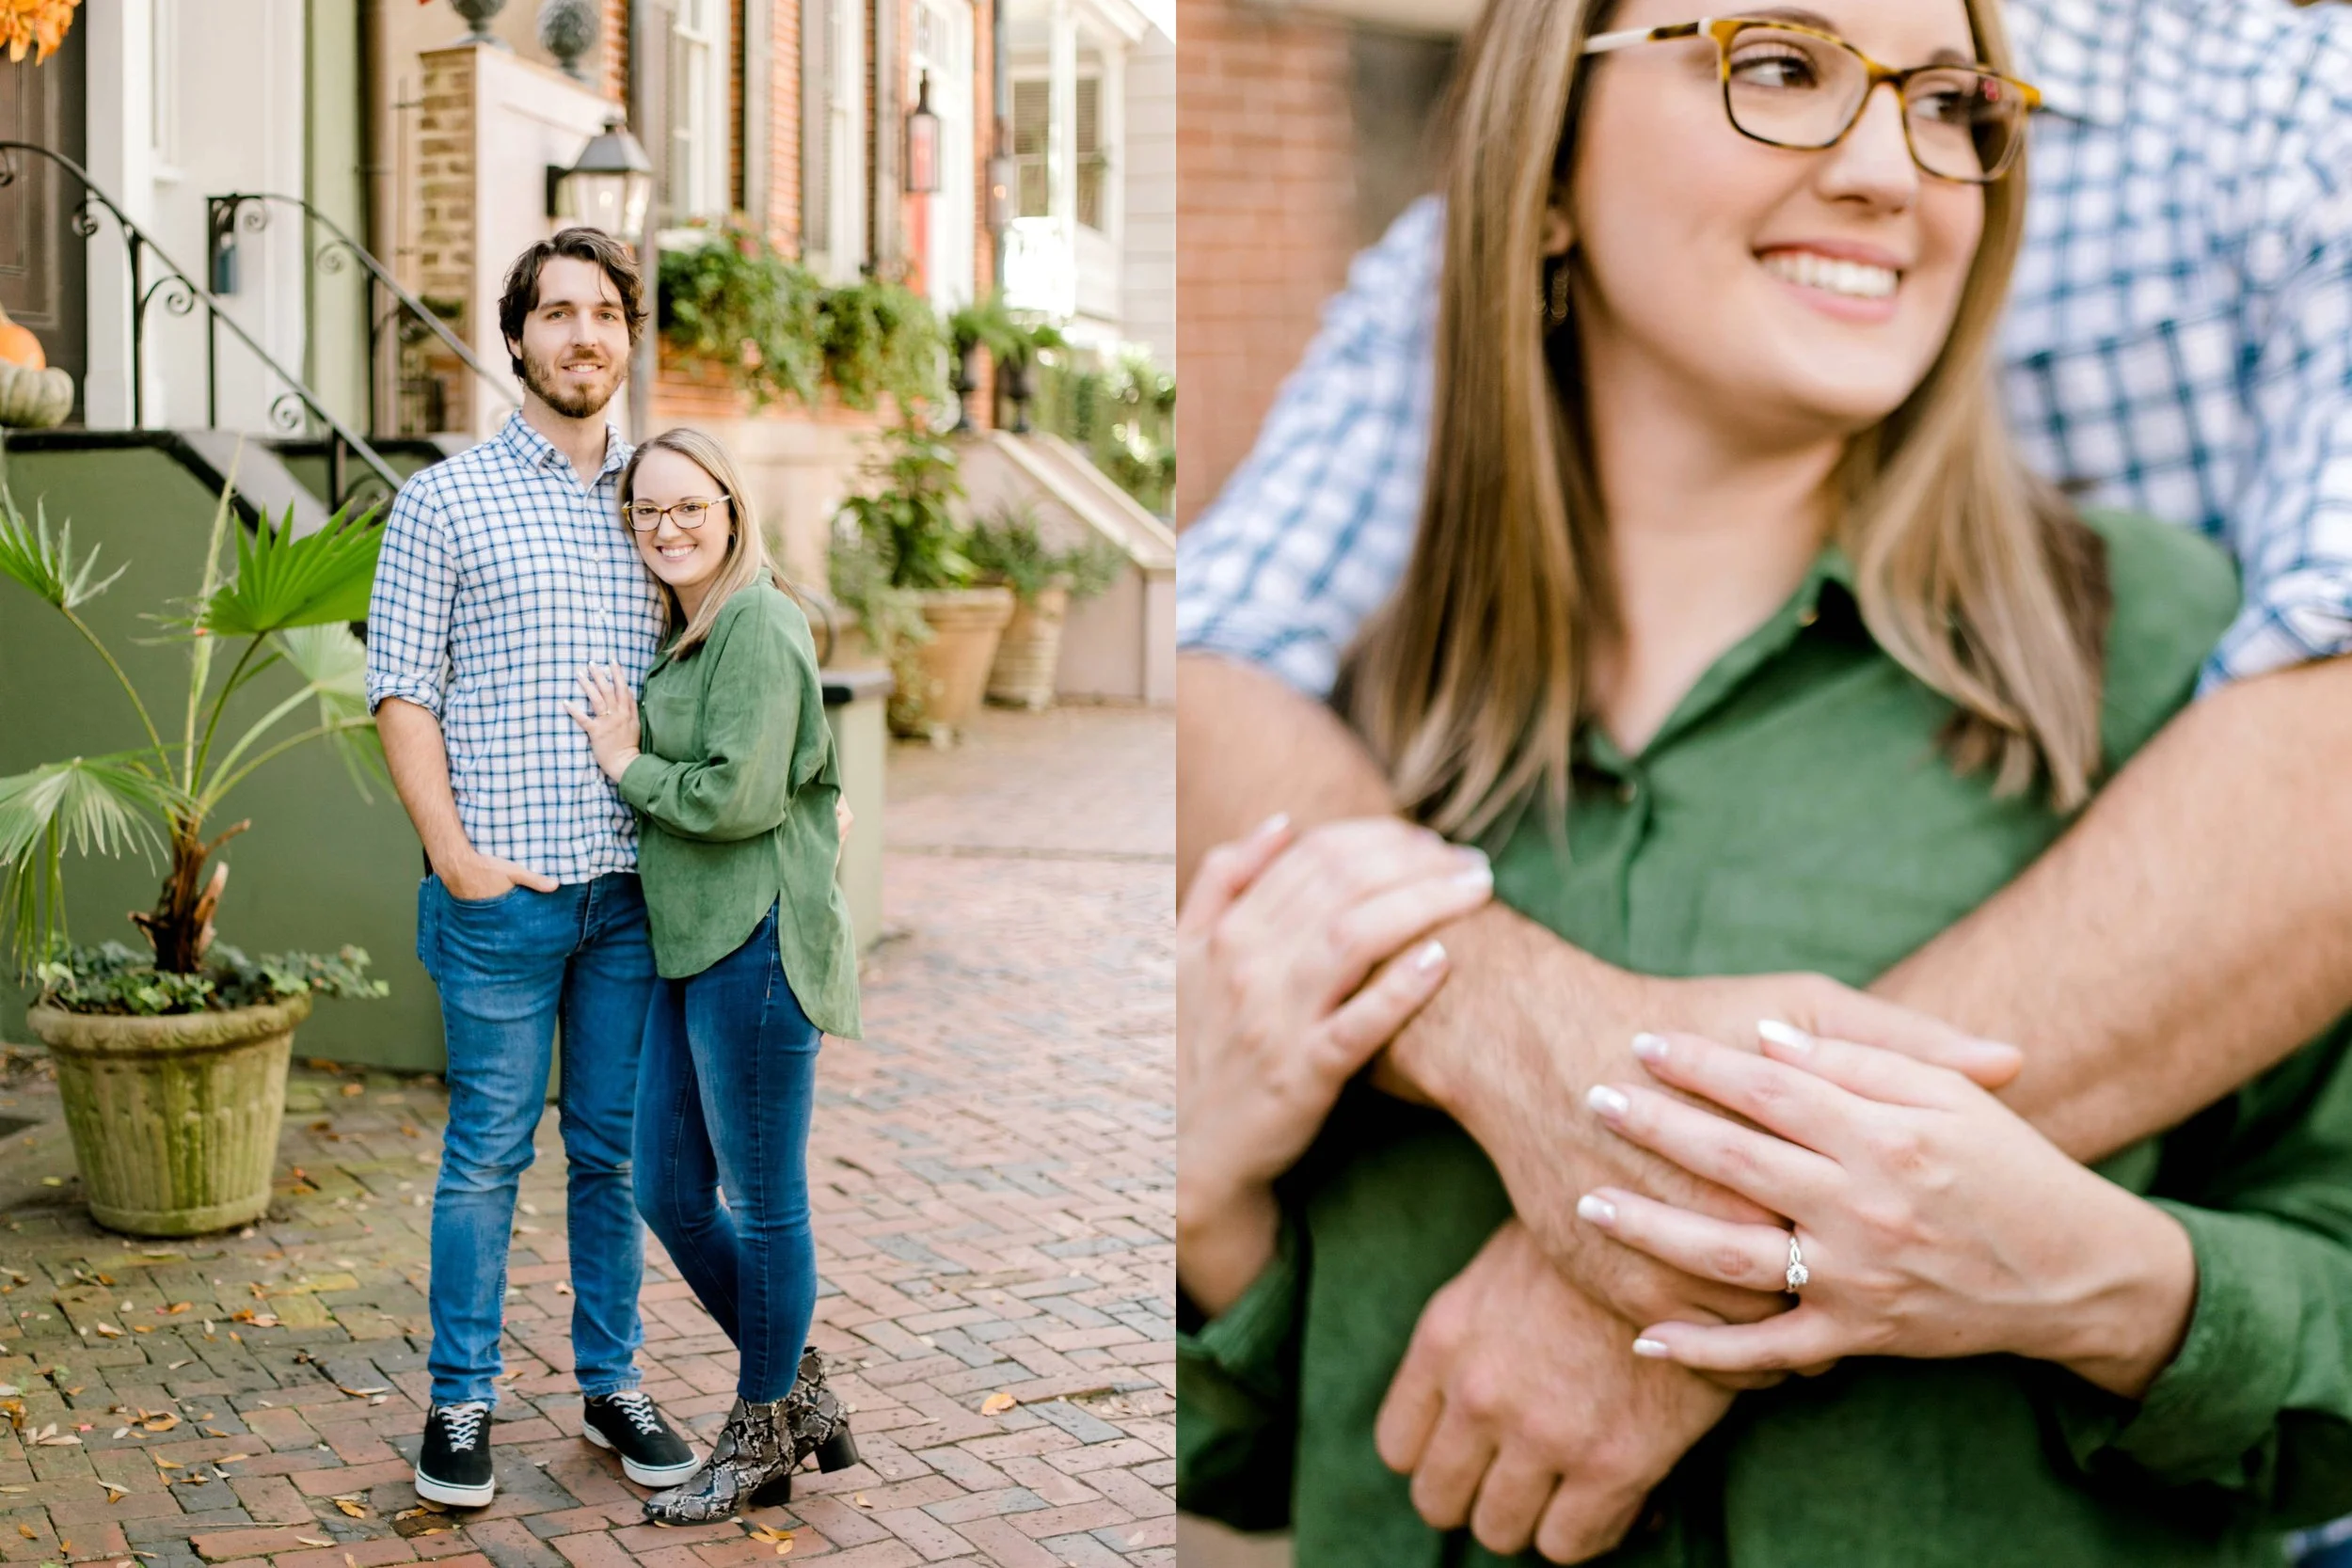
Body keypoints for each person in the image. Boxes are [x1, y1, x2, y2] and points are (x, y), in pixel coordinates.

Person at [1175, 0, 2352, 1560]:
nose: (1893, 169)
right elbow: (1289, 1441)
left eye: (1951, 107)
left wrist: (2109, 1282)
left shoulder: (2162, 680)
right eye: (1779, 65)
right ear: (1539, 174)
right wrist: (1197, 1210)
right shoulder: (1359, 741)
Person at [364, 229, 700, 1507]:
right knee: (486, 1153)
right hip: (500, 895)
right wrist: (453, 856)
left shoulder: (659, 499)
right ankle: (459, 1399)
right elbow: (402, 692)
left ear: (628, 335)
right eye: (557, 313)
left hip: (628, 897)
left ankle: (611, 1382)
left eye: (606, 312)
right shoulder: (442, 501)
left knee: (612, 1153)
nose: (583, 335)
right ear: (516, 338)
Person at [564, 427, 864, 1522]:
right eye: (647, 510)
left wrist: (625, 762)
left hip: (760, 936)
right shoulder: (686, 625)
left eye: (690, 506)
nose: (668, 527)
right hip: (685, 935)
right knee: (668, 1189)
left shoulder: (761, 619)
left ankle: (758, 1438)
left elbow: (741, 797)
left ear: (732, 508)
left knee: (763, 1197)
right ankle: (801, 1391)